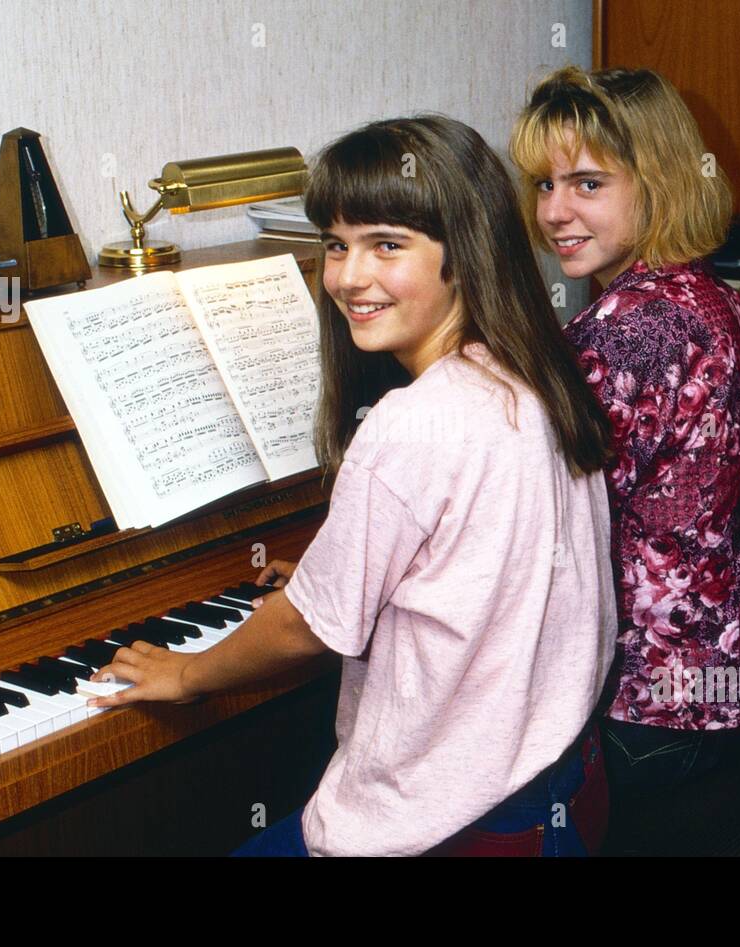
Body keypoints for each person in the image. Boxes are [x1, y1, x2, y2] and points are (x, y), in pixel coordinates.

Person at [87, 114, 619, 857]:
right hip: (563, 796)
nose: (346, 277)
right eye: (337, 244)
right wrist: (344, 568)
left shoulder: (413, 422)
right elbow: (482, 550)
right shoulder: (534, 375)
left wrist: (189, 674)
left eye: (387, 245)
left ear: (463, 257)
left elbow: (302, 627)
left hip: (453, 827)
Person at [510, 65, 740, 853]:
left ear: (660, 181)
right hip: (739, 689)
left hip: (650, 708)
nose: (554, 212)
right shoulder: (719, 302)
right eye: (544, 185)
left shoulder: (627, 332)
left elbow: (538, 528)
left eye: (587, 184)